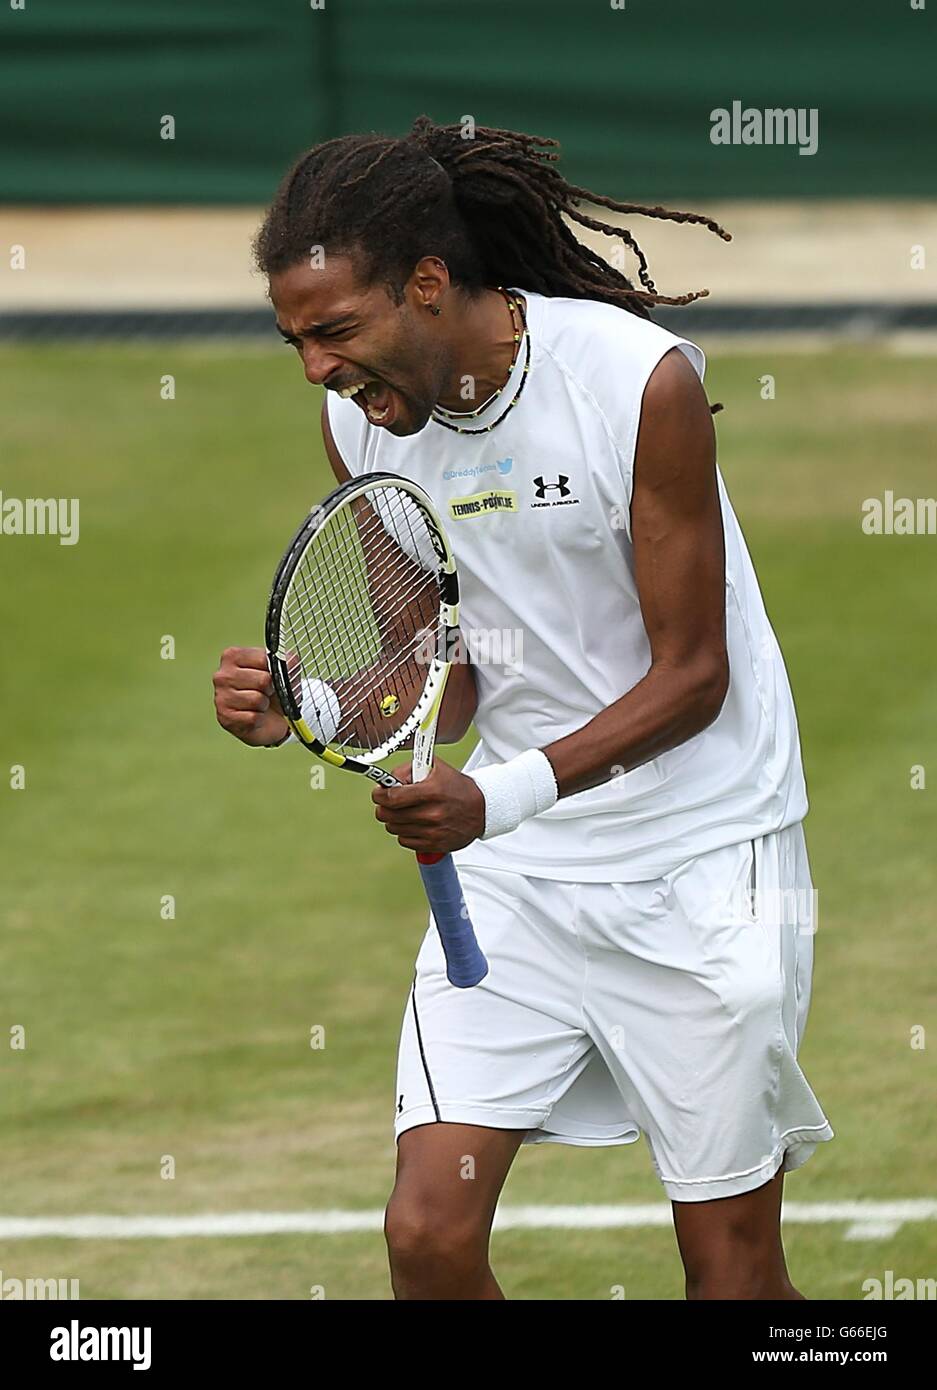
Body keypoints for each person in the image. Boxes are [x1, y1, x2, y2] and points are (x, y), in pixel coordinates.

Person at [213, 117, 833, 1300]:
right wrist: (309, 701)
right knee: (427, 1237)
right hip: (520, 880)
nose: (316, 370)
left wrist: (494, 796)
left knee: (730, 1270)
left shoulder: (633, 382)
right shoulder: (361, 425)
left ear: (430, 285)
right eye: (293, 340)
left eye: (334, 331)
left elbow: (692, 677)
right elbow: (439, 682)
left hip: (701, 861)